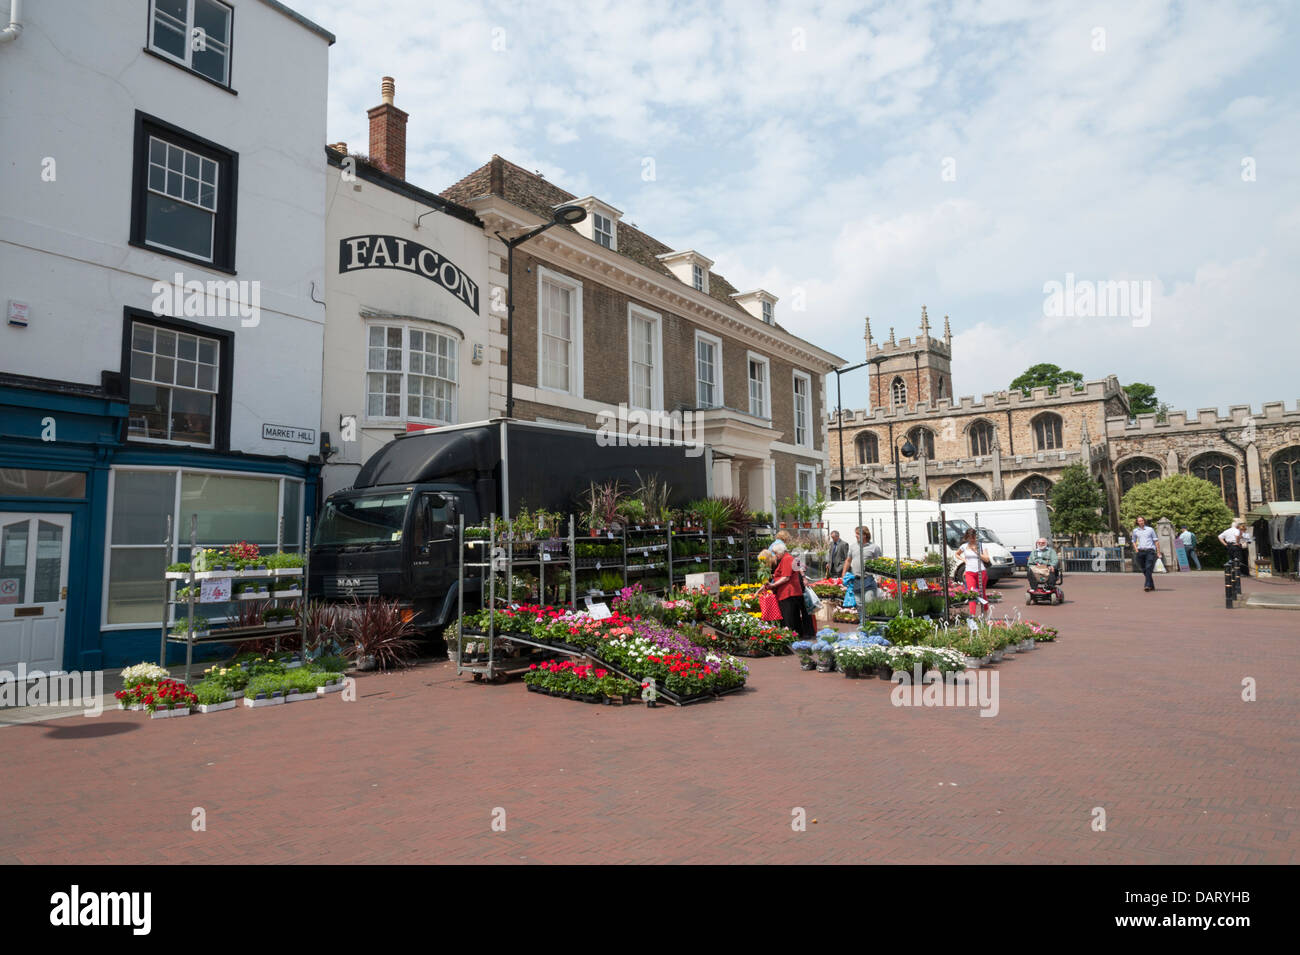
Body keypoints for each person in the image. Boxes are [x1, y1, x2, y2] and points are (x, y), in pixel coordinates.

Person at [762, 539, 814, 637]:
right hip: (791, 591)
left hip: (788, 592)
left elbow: (786, 577)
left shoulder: (786, 559)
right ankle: (797, 634)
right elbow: (799, 568)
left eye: (776, 553)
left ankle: (791, 635)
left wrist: (773, 585)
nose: (776, 556)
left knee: (789, 616)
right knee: (794, 616)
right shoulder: (789, 558)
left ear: (781, 552)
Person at [840, 526, 883, 623]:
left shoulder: (874, 547)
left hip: (868, 580)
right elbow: (848, 560)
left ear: (865, 535)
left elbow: (880, 563)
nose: (856, 536)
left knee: (868, 603)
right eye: (856, 533)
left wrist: (880, 578)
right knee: (859, 605)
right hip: (855, 581)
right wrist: (843, 574)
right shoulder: (853, 546)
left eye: (858, 534)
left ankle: (869, 624)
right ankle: (862, 624)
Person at [956, 528, 991, 616]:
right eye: (969, 538)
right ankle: (972, 615)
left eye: (973, 537)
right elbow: (957, 554)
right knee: (971, 594)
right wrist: (963, 559)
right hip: (969, 572)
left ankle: (986, 613)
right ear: (967, 537)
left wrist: (976, 551)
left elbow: (987, 559)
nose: (971, 540)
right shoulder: (964, 546)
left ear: (976, 536)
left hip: (981, 571)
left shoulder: (982, 545)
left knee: (982, 593)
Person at [1131, 515, 1160, 592]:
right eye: (1139, 521)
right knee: (1144, 569)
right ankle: (1151, 585)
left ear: (1144, 521)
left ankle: (1147, 585)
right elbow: (1133, 541)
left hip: (1150, 551)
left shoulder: (1150, 529)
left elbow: (1156, 541)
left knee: (1148, 567)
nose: (1141, 522)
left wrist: (1158, 552)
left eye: (1142, 520)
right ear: (1137, 522)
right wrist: (1136, 549)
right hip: (1140, 551)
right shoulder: (1135, 531)